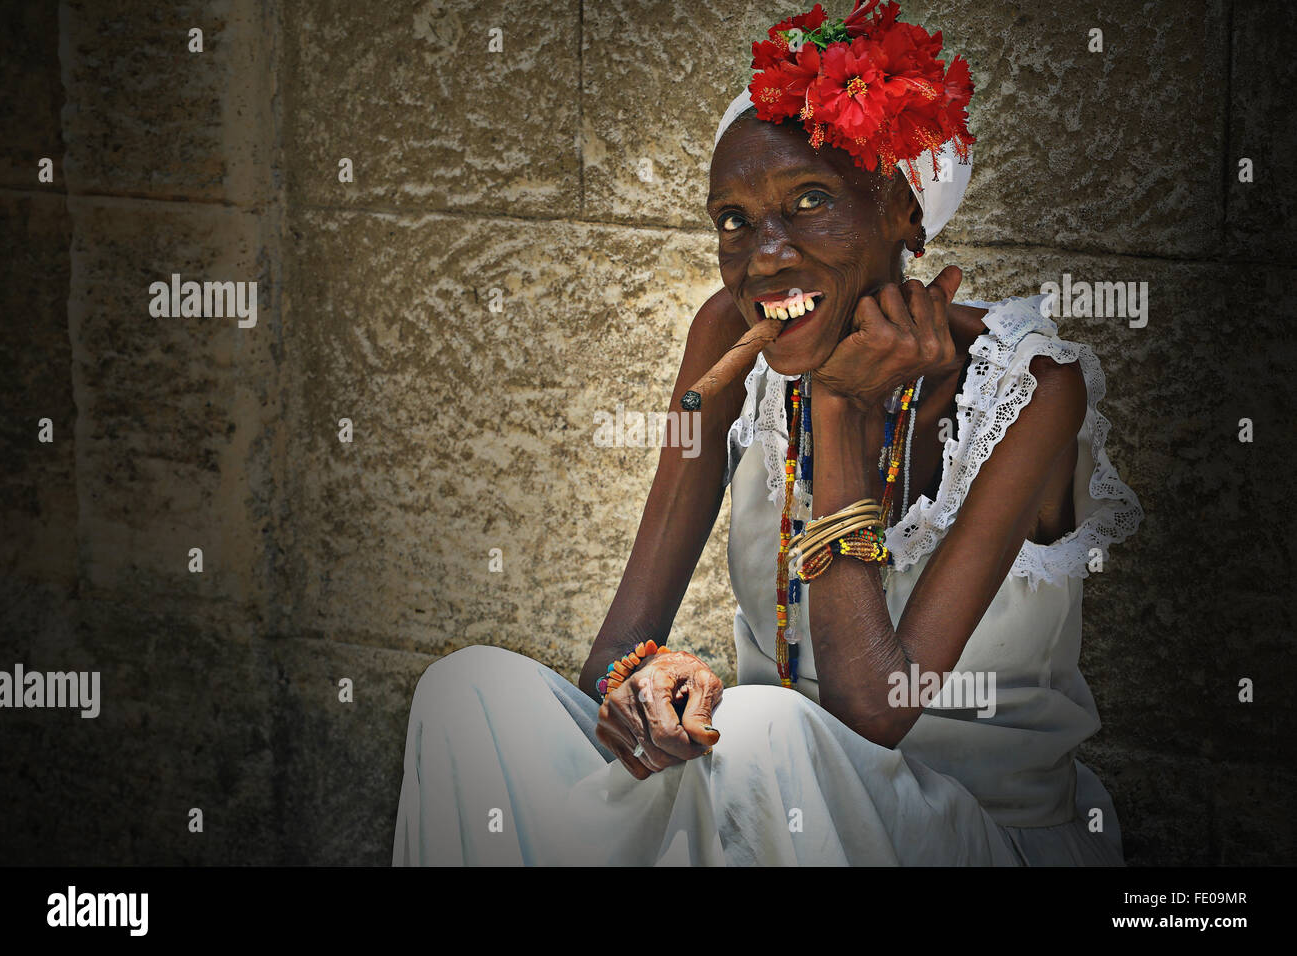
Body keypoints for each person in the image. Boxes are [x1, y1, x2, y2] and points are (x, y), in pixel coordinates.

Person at [392, 0, 1143, 866]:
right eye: (734, 221)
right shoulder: (726, 334)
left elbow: (874, 709)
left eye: (809, 202)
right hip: (762, 800)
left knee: (761, 729)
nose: (764, 257)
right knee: (469, 694)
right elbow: (613, 647)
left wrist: (837, 406)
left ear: (903, 211)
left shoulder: (1032, 387)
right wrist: (647, 684)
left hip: (973, 834)